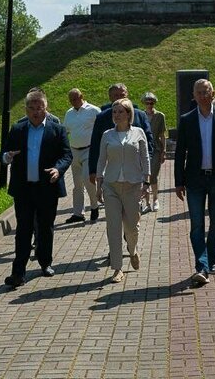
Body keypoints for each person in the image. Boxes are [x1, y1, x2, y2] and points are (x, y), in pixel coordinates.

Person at [0, 88, 72, 287]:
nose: (35, 112)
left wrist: (58, 169)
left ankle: (45, 262)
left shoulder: (57, 129)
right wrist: (7, 157)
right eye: (31, 108)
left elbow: (67, 155)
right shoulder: (18, 129)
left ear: (46, 108)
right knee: (23, 229)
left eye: (39, 108)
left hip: (47, 187)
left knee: (45, 227)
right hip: (23, 189)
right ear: (26, 109)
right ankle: (18, 273)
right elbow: (3, 154)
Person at [174, 78, 215, 287]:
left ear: (213, 93)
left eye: (206, 92)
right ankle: (202, 266)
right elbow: (180, 153)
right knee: (196, 225)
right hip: (194, 179)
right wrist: (178, 181)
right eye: (199, 92)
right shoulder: (186, 120)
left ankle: (211, 260)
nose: (203, 95)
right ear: (193, 96)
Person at [96, 97, 151, 283]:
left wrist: (147, 182)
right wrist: (99, 185)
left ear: (129, 114)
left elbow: (145, 158)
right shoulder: (107, 135)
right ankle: (117, 268)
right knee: (113, 227)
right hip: (111, 185)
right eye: (114, 112)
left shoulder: (138, 133)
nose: (117, 115)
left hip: (133, 185)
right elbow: (101, 160)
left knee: (132, 227)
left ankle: (133, 250)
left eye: (120, 112)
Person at [88, 83, 153, 182]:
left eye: (122, 95)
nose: (120, 98)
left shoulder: (140, 116)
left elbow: (148, 142)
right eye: (116, 96)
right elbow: (95, 144)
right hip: (110, 173)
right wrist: (93, 170)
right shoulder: (102, 118)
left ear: (127, 96)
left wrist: (146, 167)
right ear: (110, 97)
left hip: (135, 172)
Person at [64, 88, 101, 223]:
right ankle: (78, 213)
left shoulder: (93, 110)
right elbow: (65, 131)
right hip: (74, 151)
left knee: (88, 179)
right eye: (71, 100)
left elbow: (101, 128)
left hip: (89, 150)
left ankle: (94, 206)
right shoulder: (69, 114)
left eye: (75, 99)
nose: (73, 102)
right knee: (77, 184)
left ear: (82, 96)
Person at [142, 91, 167, 212]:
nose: (149, 105)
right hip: (142, 149)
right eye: (147, 102)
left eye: (151, 102)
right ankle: (146, 203)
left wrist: (164, 151)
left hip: (156, 149)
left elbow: (162, 135)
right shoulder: (140, 116)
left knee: (153, 176)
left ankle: (155, 199)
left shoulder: (160, 116)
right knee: (144, 176)